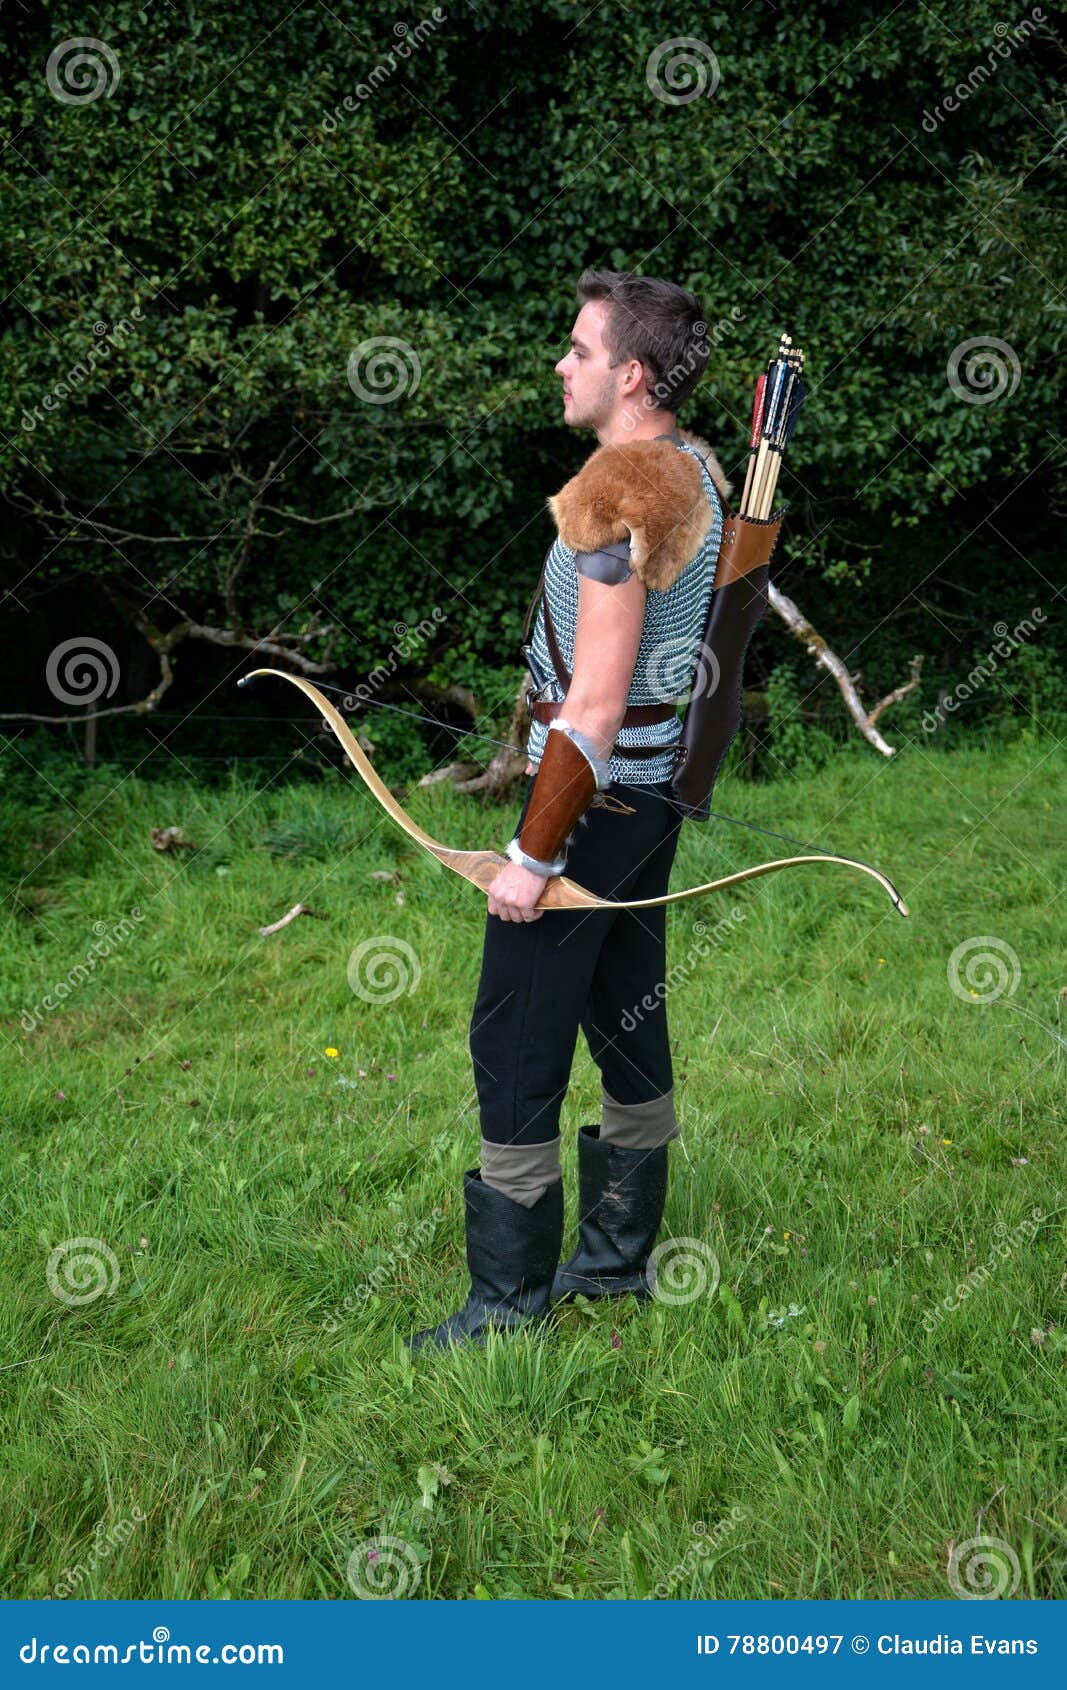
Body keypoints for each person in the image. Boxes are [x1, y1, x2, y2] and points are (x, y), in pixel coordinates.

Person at [407, 268, 732, 1352]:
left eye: (579, 349)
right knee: (629, 1011)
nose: (561, 362)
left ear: (629, 373)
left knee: (515, 1035)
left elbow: (591, 704)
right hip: (646, 800)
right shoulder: (691, 468)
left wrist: (528, 852)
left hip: (592, 800)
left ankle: (506, 1305)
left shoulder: (616, 494)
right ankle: (613, 1262)